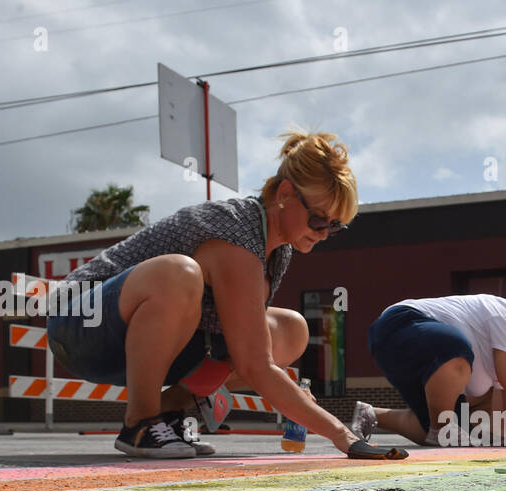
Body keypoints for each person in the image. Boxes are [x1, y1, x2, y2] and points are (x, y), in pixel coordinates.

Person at [47, 131, 402, 461]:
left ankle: (168, 410)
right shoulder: (236, 232)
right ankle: (140, 422)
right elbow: (256, 366)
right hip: (80, 325)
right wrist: (344, 437)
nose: (325, 234)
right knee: (179, 274)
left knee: (290, 329)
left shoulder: (278, 250)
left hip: (133, 343)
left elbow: (245, 349)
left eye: (336, 226)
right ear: (284, 195)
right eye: (319, 220)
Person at [355, 273, 506, 447]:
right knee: (456, 350)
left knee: (448, 434)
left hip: (400, 346)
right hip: (399, 325)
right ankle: (441, 426)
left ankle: (371, 415)